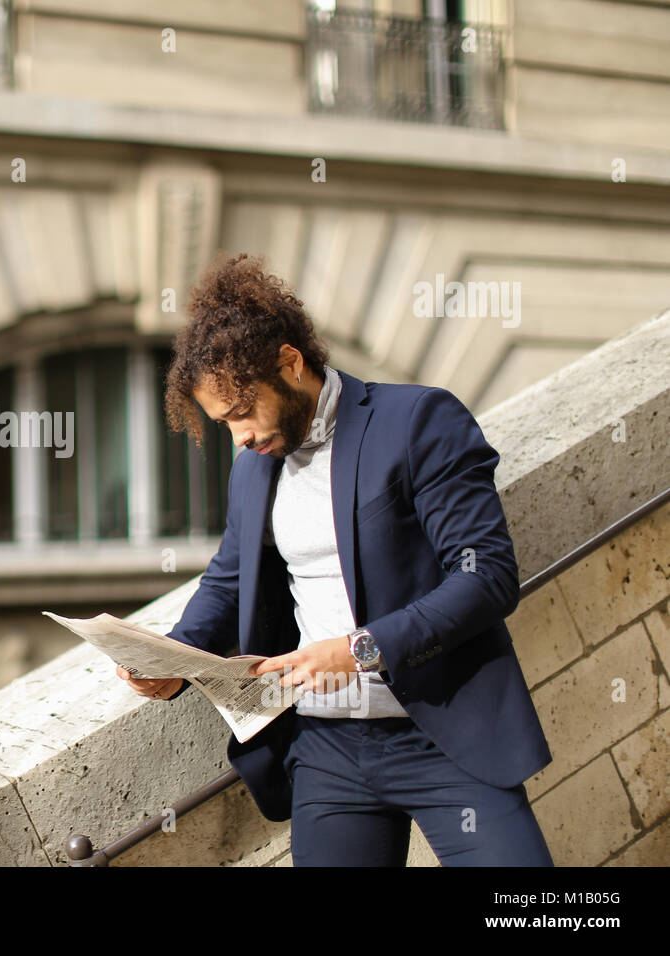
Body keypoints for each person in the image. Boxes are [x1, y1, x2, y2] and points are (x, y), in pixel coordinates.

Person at [118, 253, 553, 866]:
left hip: (444, 734)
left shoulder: (418, 421)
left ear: (290, 364)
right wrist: (172, 658)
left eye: (242, 412)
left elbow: (486, 577)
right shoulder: (253, 468)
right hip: (327, 752)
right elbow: (231, 577)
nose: (239, 437)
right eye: (223, 424)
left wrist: (358, 650)